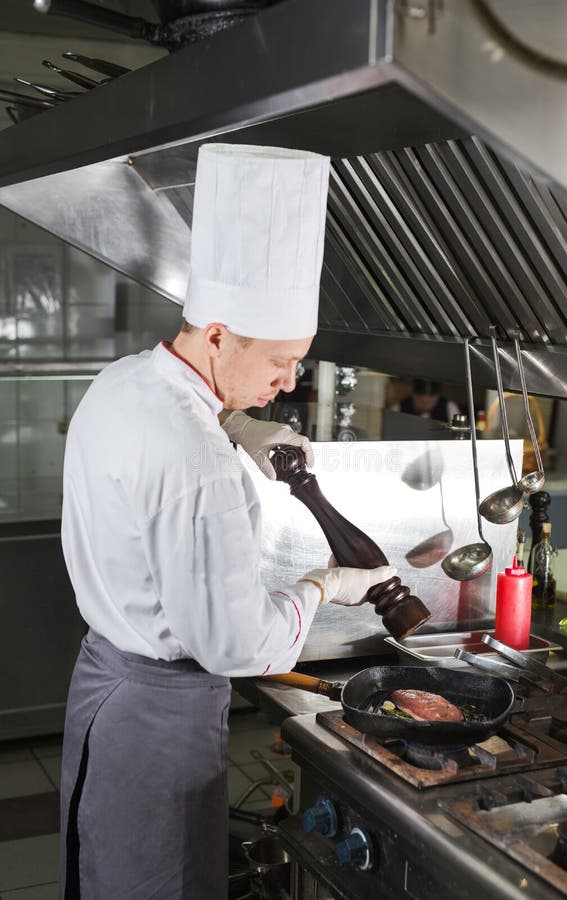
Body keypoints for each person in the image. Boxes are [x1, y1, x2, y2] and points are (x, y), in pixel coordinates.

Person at [58, 144, 396, 900]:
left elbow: (176, 421)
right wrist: (321, 585)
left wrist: (238, 424)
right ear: (217, 335)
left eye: (298, 362)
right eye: (279, 360)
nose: (288, 382)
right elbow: (235, 646)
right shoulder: (198, 462)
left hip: (105, 690)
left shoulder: (125, 381)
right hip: (157, 718)